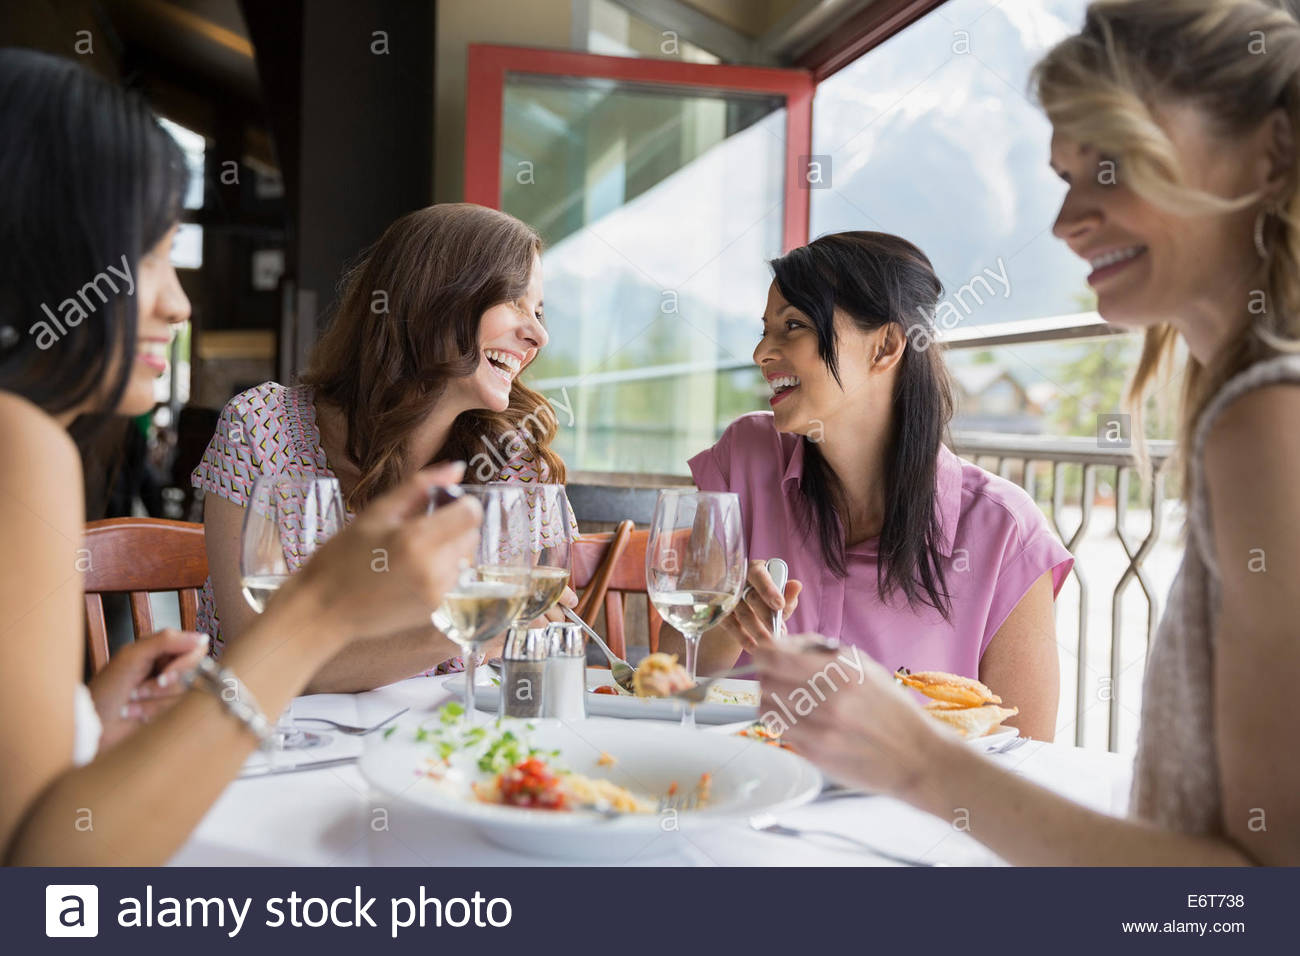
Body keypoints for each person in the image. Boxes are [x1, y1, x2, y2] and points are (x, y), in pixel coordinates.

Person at [756, 0, 1300, 865]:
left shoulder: (1267, 419)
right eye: (1067, 175)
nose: (1065, 220)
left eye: (1112, 165)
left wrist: (917, 759)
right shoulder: (1250, 408)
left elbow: (1257, 902)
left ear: (1272, 152)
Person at [0, 48, 481, 865]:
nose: (177, 302)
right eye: (146, 255)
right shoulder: (19, 440)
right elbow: (49, 886)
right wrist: (321, 610)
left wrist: (81, 722)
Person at [666, 232, 1073, 740]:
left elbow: (1026, 757)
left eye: (793, 326)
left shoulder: (1005, 533)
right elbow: (668, 684)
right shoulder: (745, 459)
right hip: (742, 795)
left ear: (885, 347)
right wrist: (725, 623)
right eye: (765, 330)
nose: (761, 352)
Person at [193, 203, 578, 693]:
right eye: (515, 302)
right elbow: (260, 659)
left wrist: (518, 631)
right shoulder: (261, 430)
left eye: (539, 311)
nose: (538, 333)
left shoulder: (515, 466)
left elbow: (527, 666)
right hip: (272, 751)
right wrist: (470, 626)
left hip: (438, 754)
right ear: (433, 297)